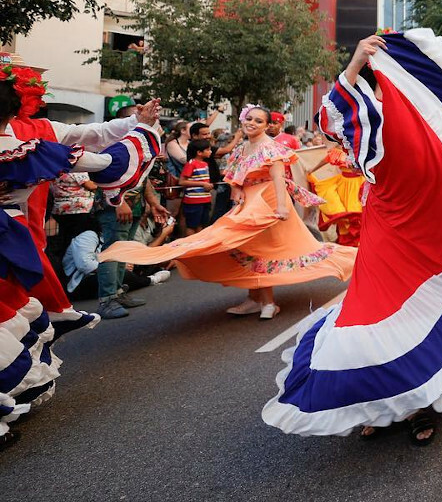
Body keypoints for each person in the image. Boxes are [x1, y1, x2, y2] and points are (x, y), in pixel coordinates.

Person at [262, 32, 442, 443]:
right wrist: (355, 63)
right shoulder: (376, 116)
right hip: (387, 231)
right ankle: (377, 406)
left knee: (425, 314)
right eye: (387, 79)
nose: (394, 85)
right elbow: (330, 121)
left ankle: (418, 406)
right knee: (372, 315)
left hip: (432, 231)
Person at [0, 65, 161, 450]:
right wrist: (144, 134)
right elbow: (110, 164)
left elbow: (94, 134)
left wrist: (134, 123)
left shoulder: (36, 134)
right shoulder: (21, 151)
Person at [100, 106, 355, 321]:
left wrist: (280, 207)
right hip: (250, 202)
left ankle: (268, 302)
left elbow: (279, 177)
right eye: (249, 119)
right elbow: (235, 177)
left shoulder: (271, 148)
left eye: (258, 120)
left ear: (267, 125)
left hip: (269, 201)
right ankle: (255, 298)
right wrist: (237, 192)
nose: (252, 123)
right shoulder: (243, 148)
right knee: (243, 248)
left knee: (264, 251)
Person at [179, 140, 214, 236]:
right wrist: (202, 184)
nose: (210, 151)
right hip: (194, 201)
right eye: (208, 149)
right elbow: (182, 181)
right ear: (199, 152)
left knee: (201, 225)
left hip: (205, 199)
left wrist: (207, 186)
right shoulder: (191, 163)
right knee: (191, 226)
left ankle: (199, 245)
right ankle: (190, 245)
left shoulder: (205, 164)